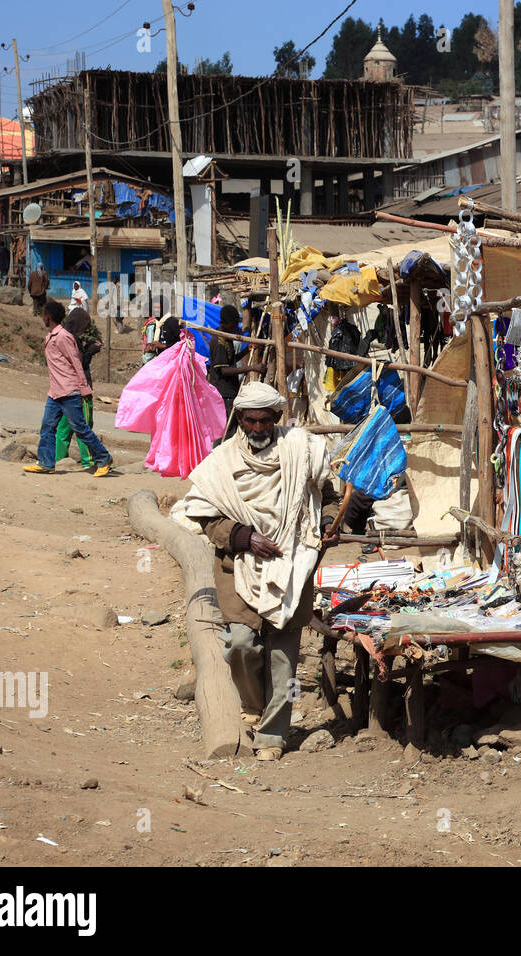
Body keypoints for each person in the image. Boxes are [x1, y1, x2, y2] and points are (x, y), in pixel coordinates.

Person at [172, 382, 339, 761]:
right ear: (240, 420)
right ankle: (254, 703)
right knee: (241, 645)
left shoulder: (301, 450)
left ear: (277, 417)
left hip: (292, 566)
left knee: (283, 657)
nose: (259, 429)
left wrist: (327, 522)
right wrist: (242, 537)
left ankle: (272, 737)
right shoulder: (222, 461)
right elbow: (205, 513)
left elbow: (326, 496)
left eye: (266, 420)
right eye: (251, 421)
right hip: (237, 566)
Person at [22, 299, 113, 477]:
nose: (42, 317)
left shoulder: (63, 337)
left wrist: (84, 388)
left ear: (48, 317)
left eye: (44, 314)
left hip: (69, 391)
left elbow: (76, 362)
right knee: (47, 427)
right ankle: (46, 463)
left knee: (80, 428)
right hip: (55, 393)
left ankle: (104, 458)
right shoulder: (50, 337)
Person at [55, 306, 103, 469]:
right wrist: (92, 350)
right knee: (84, 426)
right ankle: (88, 461)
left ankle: (58, 459)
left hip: (66, 390)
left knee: (64, 427)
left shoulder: (63, 337)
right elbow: (79, 364)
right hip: (80, 390)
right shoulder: (72, 340)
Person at [208, 305, 266, 437]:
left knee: (232, 427)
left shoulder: (226, 337)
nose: (236, 327)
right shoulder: (219, 342)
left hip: (230, 390)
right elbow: (224, 370)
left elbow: (231, 361)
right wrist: (252, 368)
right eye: (234, 324)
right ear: (226, 323)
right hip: (224, 393)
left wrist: (247, 350)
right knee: (227, 429)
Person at [323, 310, 362, 393]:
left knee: (339, 382)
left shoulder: (340, 330)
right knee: (347, 381)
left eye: (333, 318)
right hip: (350, 361)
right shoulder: (351, 329)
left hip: (341, 362)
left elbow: (334, 345)